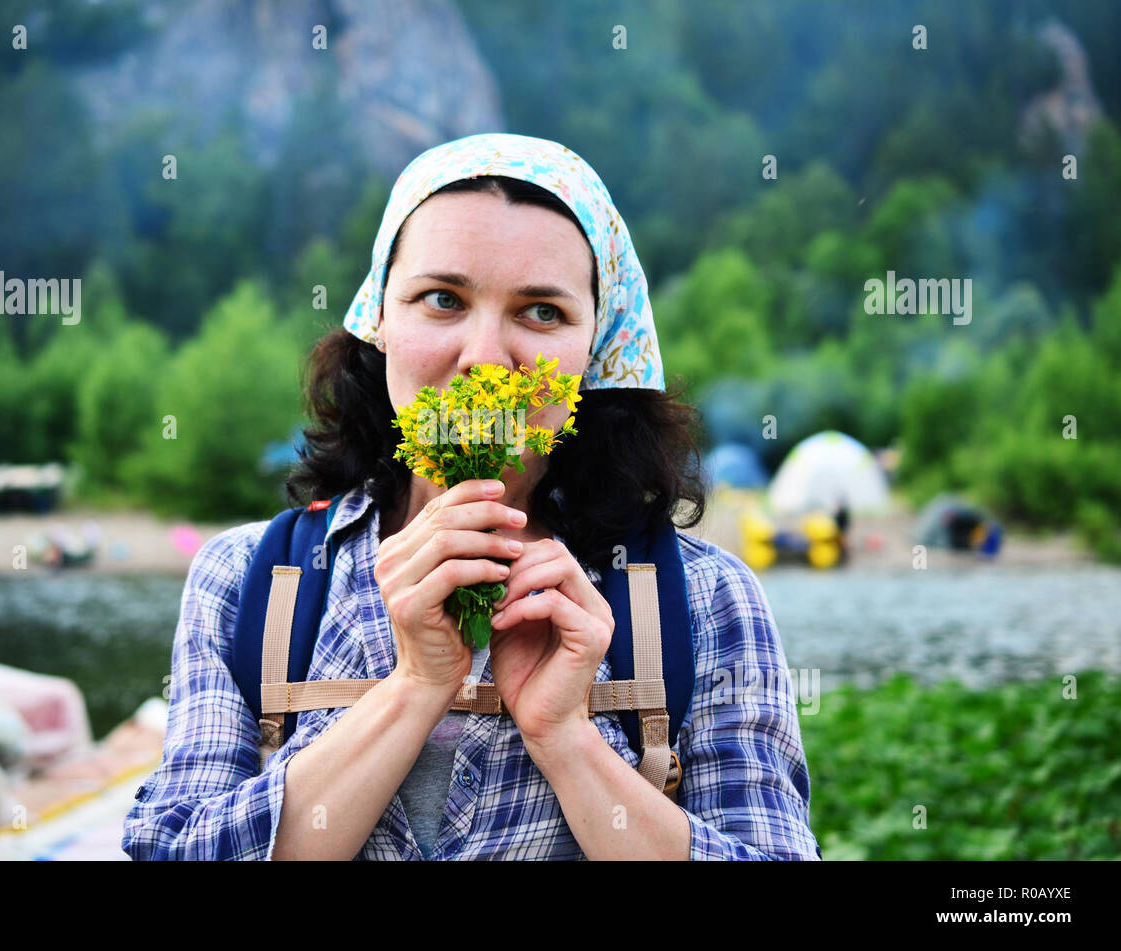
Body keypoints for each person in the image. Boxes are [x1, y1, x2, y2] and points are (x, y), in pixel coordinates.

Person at [122, 133, 821, 861]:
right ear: (380, 320)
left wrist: (568, 741)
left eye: (542, 312)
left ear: (598, 347)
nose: (485, 356)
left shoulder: (705, 601)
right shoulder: (247, 581)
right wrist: (416, 685)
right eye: (442, 299)